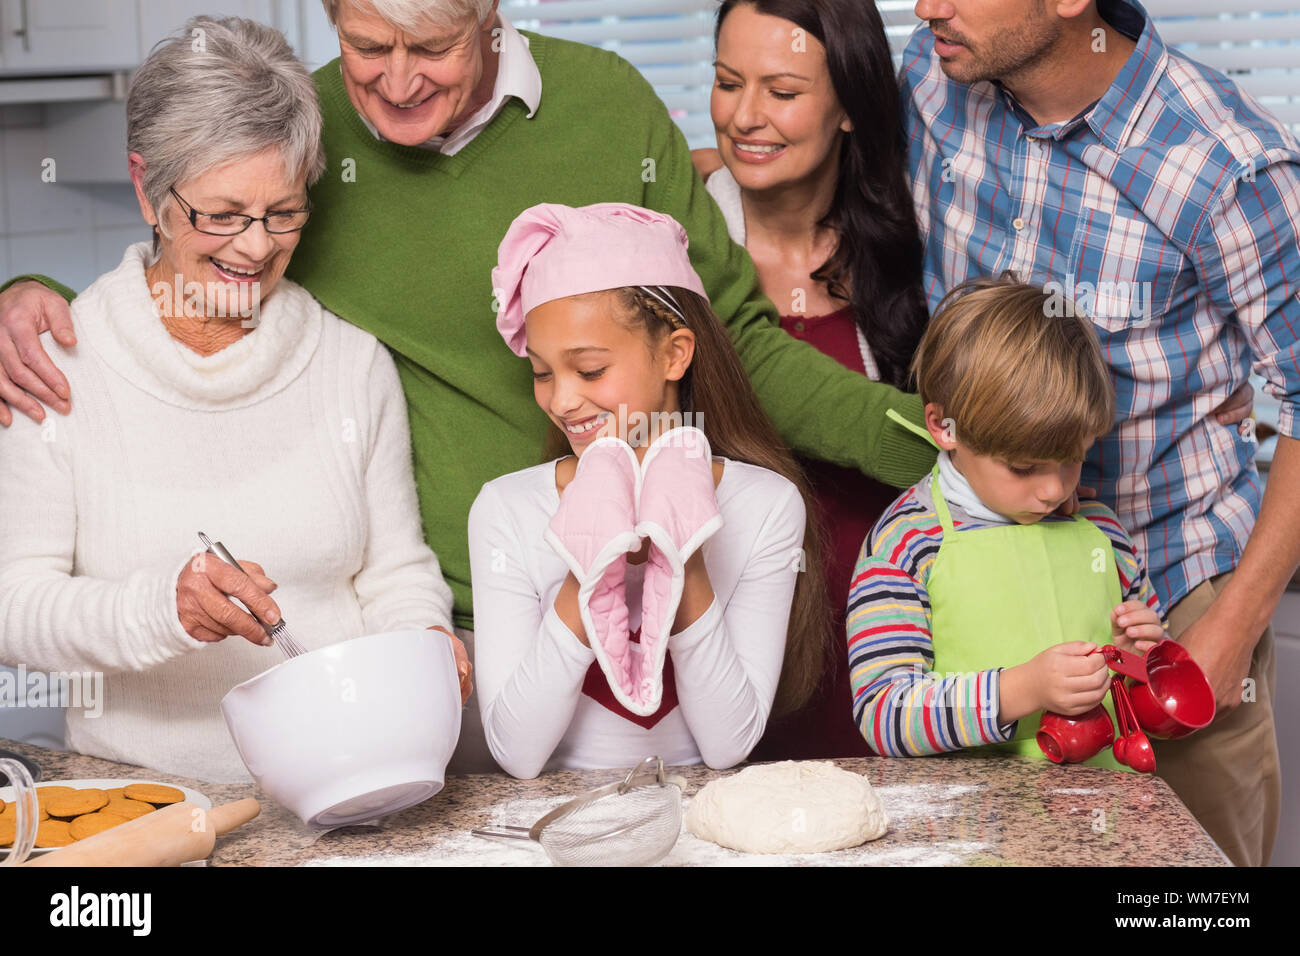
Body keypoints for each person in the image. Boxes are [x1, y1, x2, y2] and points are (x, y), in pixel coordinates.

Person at [0, 0, 942, 773]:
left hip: (499, 664)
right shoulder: (299, 119)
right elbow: (187, 269)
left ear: (491, 15)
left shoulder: (604, 107)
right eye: (367, 44)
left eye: (434, 47)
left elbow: (725, 335)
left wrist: (946, 444)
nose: (399, 80)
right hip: (427, 669)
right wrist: (30, 296)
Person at [0, 17, 468, 784]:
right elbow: (13, 609)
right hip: (144, 798)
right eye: (220, 216)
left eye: (283, 213)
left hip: (344, 782)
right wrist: (166, 612)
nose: (255, 247)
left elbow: (395, 571)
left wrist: (420, 638)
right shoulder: (53, 366)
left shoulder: (350, 363)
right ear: (147, 190)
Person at [902, 0, 1296, 863]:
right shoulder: (937, 74)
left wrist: (1228, 628)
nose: (928, 6)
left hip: (1164, 597)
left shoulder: (1227, 164)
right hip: (976, 588)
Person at [470, 203, 827, 777]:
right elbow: (517, 754)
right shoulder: (506, 510)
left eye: (588, 371)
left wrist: (683, 553)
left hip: (705, 817)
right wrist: (588, 560)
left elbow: (727, 745)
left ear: (674, 354)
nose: (561, 401)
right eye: (541, 372)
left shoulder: (766, 505)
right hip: (562, 827)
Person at [691, 0, 930, 760]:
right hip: (733, 635)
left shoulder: (916, 239)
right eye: (728, 83)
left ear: (851, 109)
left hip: (893, 638)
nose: (746, 116)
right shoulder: (677, 242)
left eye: (783, 92)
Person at [849, 277, 1164, 769]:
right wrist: (1022, 689)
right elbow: (884, 711)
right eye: (1023, 467)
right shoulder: (905, 544)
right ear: (943, 427)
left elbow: (1147, 698)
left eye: (1072, 460)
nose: (1054, 490)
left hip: (1099, 827)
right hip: (970, 830)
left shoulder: (1102, 533)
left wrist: (1142, 658)